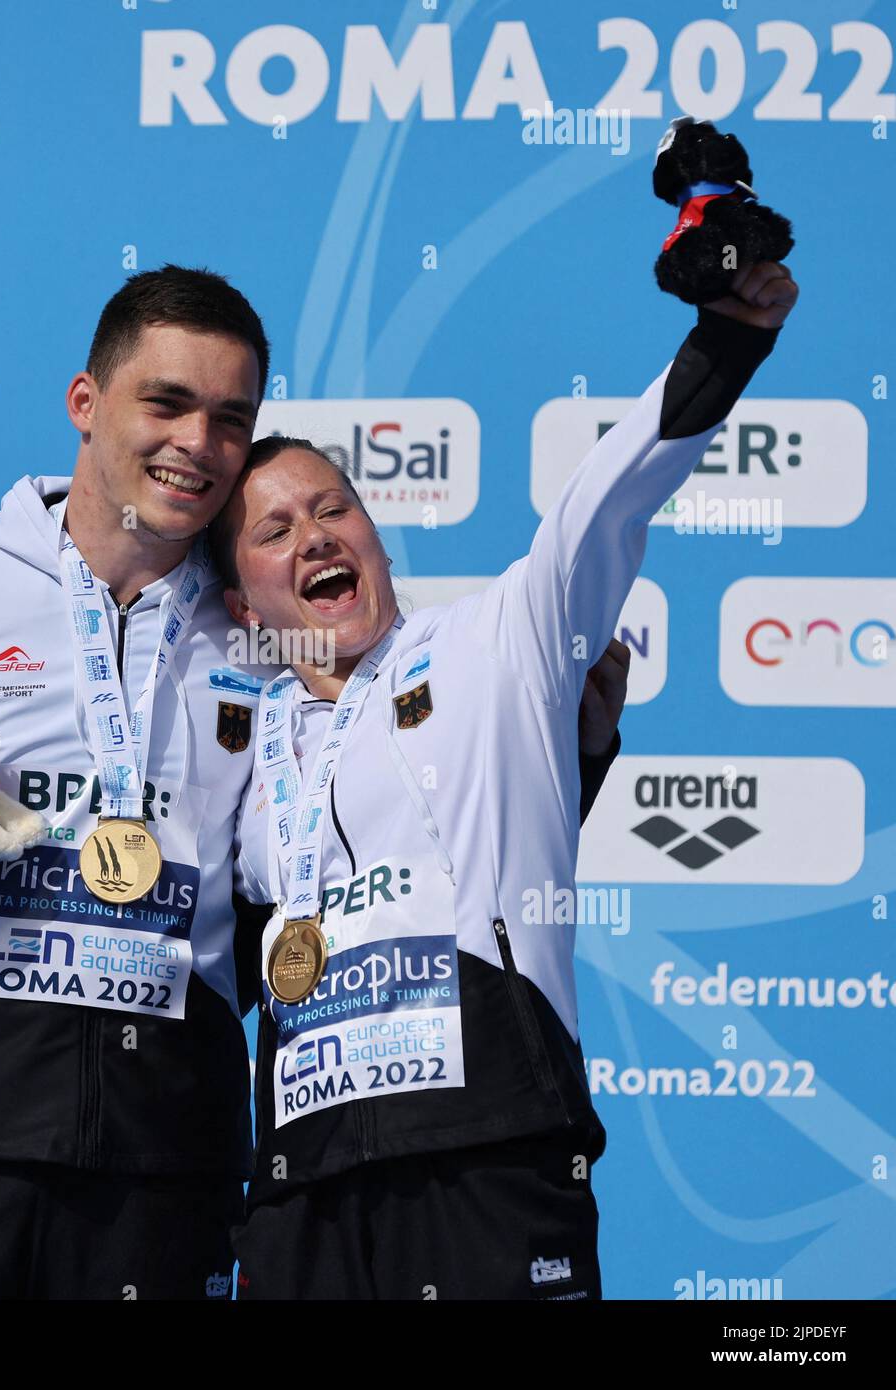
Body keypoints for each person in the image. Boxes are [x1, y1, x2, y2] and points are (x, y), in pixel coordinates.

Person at [0, 264, 624, 1301]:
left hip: (168, 1190)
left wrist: (571, 754)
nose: (198, 443)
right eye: (167, 402)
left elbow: (388, 834)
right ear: (85, 404)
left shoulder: (266, 635)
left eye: (230, 418)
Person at [216, 261, 798, 1300]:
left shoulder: (498, 644)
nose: (315, 536)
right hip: (304, 1198)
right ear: (244, 604)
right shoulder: (238, 751)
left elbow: (605, 502)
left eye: (333, 507)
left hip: (486, 1157)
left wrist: (728, 336)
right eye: (275, 530)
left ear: (373, 532)